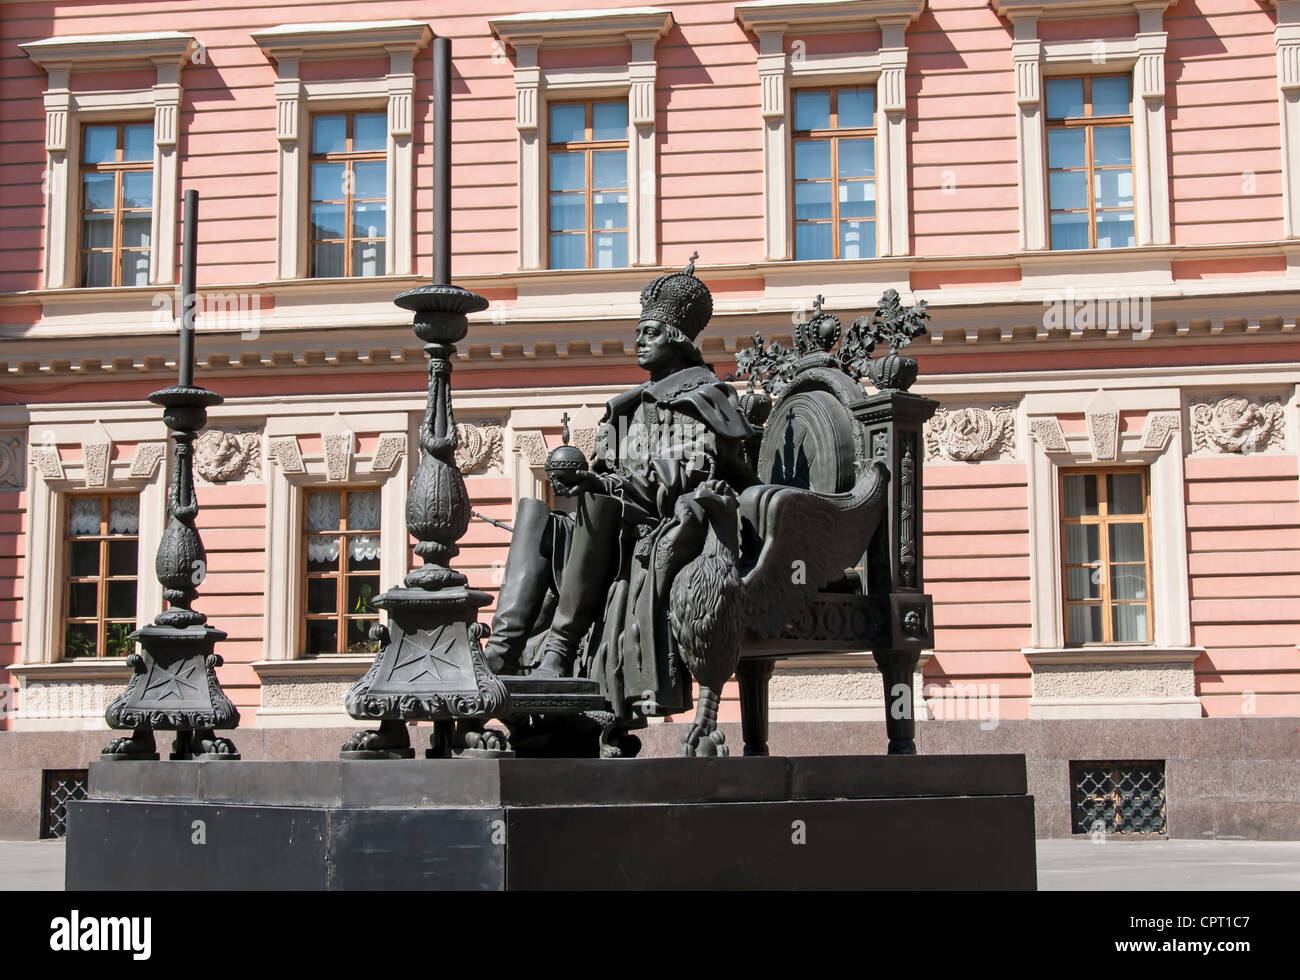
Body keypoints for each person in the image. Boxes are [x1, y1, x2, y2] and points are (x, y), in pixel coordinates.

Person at [481, 256, 757, 726]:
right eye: (638, 331)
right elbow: (608, 468)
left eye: (650, 331)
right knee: (537, 515)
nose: (639, 340)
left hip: (655, 526)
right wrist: (590, 477)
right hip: (610, 532)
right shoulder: (627, 409)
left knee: (598, 502)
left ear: (676, 338)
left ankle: (559, 651)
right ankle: (501, 652)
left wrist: (604, 485)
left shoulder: (706, 400)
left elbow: (690, 474)